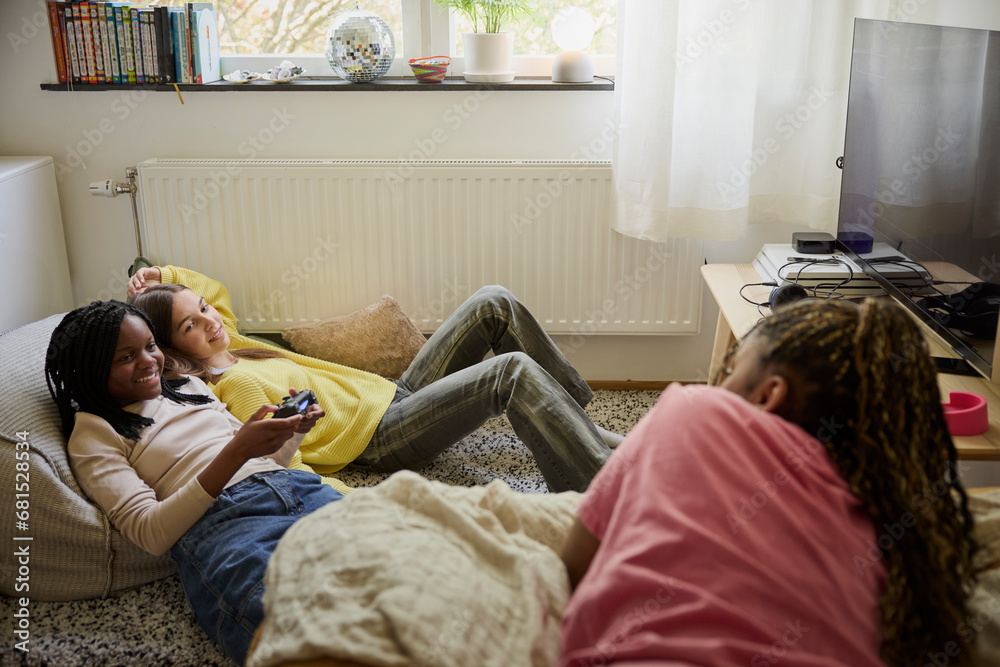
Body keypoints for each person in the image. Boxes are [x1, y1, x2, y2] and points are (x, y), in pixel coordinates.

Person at [558, 298, 977, 667]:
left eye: (730, 370)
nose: (719, 383)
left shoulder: (696, 409)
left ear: (766, 395)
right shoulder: (896, 531)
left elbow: (575, 566)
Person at [127, 265, 620, 493]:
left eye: (204, 310)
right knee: (507, 374)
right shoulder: (233, 384)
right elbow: (279, 459)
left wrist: (159, 275)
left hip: (395, 394)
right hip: (381, 437)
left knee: (494, 300)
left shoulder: (231, 341)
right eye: (190, 325)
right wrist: (351, 499)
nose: (210, 320)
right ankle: (598, 484)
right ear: (172, 347)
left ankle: (570, 417)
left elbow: (214, 290)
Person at [45, 300, 341, 665]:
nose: (148, 361)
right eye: (125, 357)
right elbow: (149, 531)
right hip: (224, 527)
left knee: (392, 557)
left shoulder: (189, 386)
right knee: (297, 624)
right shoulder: (94, 433)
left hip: (293, 487)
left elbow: (262, 463)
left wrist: (291, 434)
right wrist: (235, 452)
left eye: (151, 346)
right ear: (89, 369)